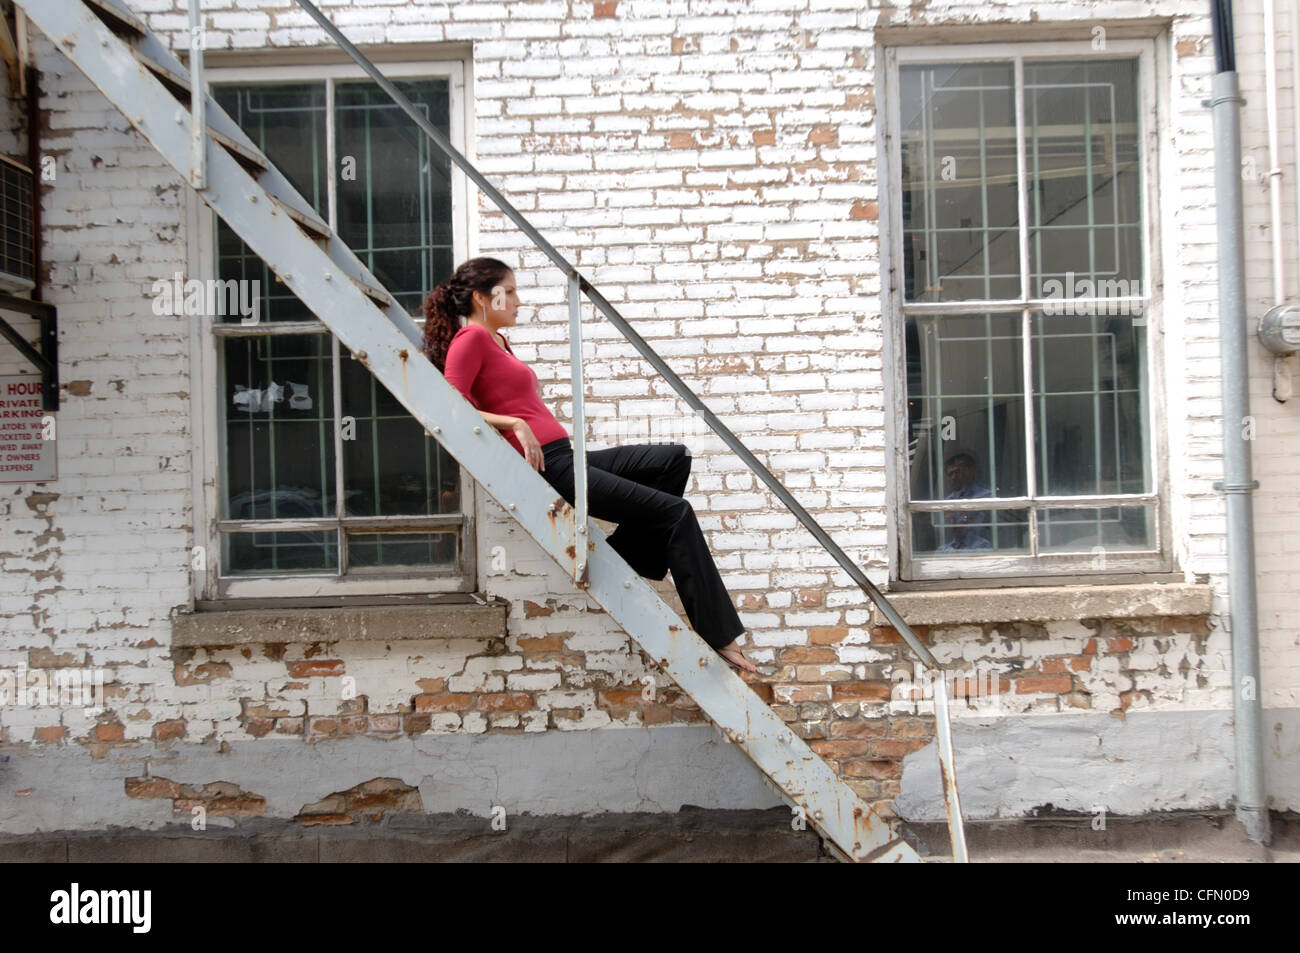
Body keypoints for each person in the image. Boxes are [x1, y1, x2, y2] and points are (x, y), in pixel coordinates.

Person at [421, 256, 758, 673]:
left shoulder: (498, 342)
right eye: (508, 291)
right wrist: (514, 424)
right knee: (676, 514)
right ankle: (719, 635)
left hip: (566, 454)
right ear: (481, 297)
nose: (518, 300)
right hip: (550, 468)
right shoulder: (469, 340)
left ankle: (630, 556)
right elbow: (449, 407)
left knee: (673, 459)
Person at [938, 451, 992, 551]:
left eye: (958, 472)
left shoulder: (986, 496)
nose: (954, 477)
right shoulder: (947, 502)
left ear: (972, 470)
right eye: (950, 474)